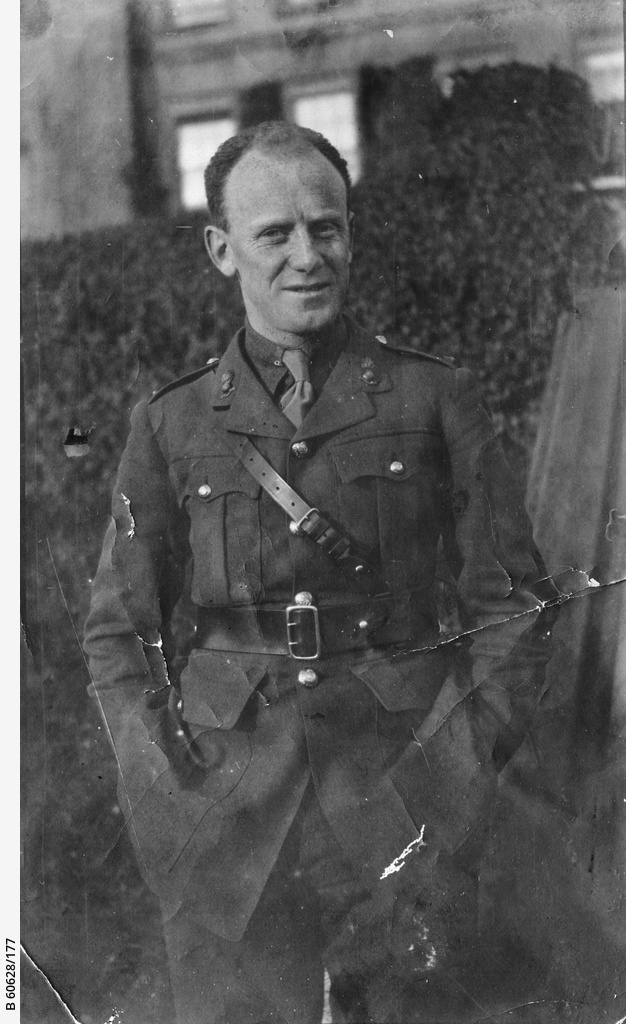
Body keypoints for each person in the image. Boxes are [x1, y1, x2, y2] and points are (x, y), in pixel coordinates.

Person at [84, 121, 561, 1024]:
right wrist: (162, 804)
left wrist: (450, 783)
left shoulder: (433, 399)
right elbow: (121, 634)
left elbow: (512, 610)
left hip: (399, 803)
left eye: (328, 227)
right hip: (225, 818)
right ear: (223, 250)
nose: (309, 256)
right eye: (275, 235)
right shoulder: (174, 426)